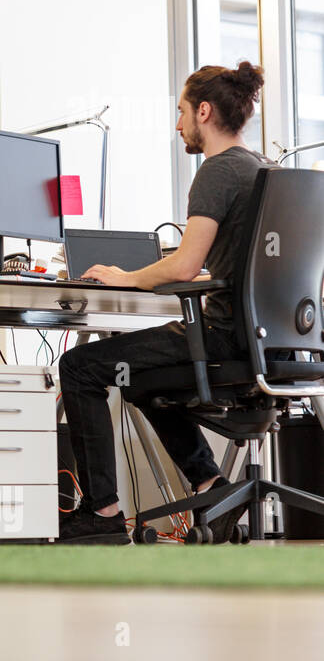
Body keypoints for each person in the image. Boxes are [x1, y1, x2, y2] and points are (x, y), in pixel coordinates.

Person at [57, 61, 270, 544]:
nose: (178, 126)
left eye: (180, 113)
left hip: (222, 338)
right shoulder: (265, 172)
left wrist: (124, 276)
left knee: (79, 366)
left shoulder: (216, 173)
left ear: (204, 111)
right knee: (140, 380)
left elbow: (181, 268)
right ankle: (210, 484)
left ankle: (104, 513)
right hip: (271, 343)